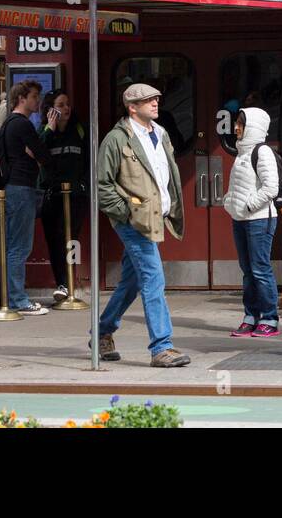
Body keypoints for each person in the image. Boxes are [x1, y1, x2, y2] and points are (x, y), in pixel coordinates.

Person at [94, 83, 190, 368]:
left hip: (152, 217)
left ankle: (102, 332)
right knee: (153, 278)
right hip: (133, 220)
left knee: (132, 281)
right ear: (131, 107)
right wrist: (125, 212)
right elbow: (103, 184)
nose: (155, 103)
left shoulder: (161, 133)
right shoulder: (116, 139)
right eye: (147, 100)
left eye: (156, 99)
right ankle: (161, 346)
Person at [223, 107, 281, 338]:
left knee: (260, 269)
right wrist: (230, 203)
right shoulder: (242, 152)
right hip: (240, 219)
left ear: (253, 127)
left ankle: (269, 318)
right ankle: (251, 316)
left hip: (258, 220)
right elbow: (236, 186)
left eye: (241, 123)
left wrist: (247, 205)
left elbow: (271, 187)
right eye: (237, 123)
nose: (236, 127)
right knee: (248, 271)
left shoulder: (262, 151)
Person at [1, 80, 52, 316]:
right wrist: (48, 130)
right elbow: (42, 154)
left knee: (15, 245)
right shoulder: (21, 124)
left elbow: (35, 152)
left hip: (15, 187)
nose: (38, 101)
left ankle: (14, 296)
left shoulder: (9, 123)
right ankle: (18, 299)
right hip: (21, 188)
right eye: (34, 96)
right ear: (22, 98)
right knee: (20, 246)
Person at [39, 89, 89, 304]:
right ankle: (62, 282)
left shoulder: (79, 130)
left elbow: (88, 160)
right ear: (50, 110)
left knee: (72, 240)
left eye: (67, 104)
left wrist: (84, 184)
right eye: (60, 105)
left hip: (76, 195)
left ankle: (71, 280)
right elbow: (36, 152)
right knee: (55, 239)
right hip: (53, 195)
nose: (66, 108)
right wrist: (49, 130)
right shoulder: (43, 132)